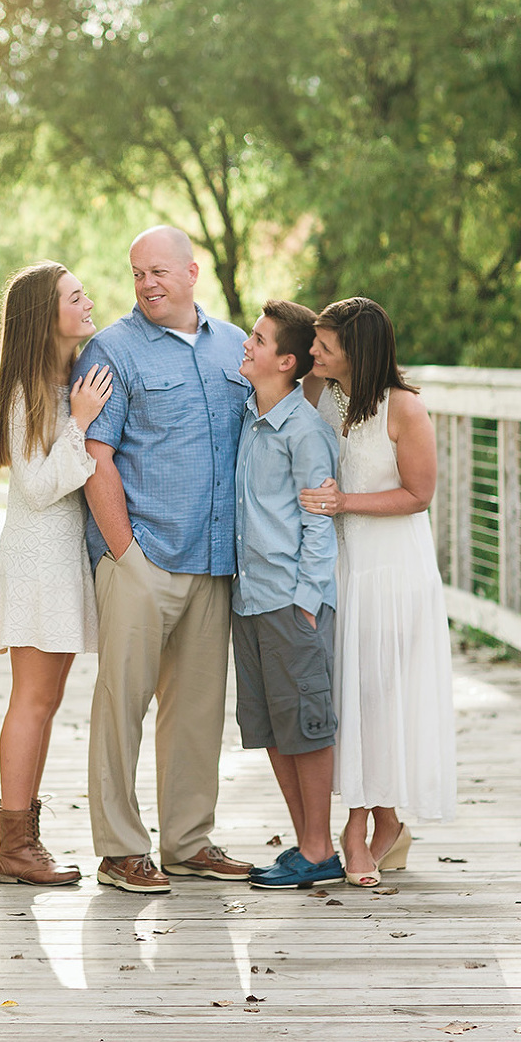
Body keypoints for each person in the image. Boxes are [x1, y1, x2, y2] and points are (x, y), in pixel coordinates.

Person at [73, 225, 253, 893]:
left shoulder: (237, 346)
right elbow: (96, 454)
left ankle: (187, 842)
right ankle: (121, 850)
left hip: (213, 561)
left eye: (159, 271)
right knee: (122, 706)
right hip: (140, 557)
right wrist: (126, 555)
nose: (148, 284)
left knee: (199, 712)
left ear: (192, 271)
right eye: (137, 273)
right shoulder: (110, 350)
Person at [299, 296, 456, 888]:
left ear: (356, 353)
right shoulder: (323, 395)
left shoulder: (405, 409)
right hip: (342, 566)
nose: (314, 352)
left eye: (325, 345)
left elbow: (418, 493)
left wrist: (344, 502)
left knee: (379, 692)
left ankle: (357, 828)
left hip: (393, 570)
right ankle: (387, 822)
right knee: (353, 693)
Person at [0, 262, 113, 885]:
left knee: (47, 701)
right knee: (32, 701)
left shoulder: (68, 382)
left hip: (63, 562)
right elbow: (37, 489)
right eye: (73, 295)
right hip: (37, 562)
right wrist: (82, 422)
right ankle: (15, 846)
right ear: (45, 315)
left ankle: (24, 841)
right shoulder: (26, 393)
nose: (87, 301)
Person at [228, 302, 345, 891]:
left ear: (286, 360)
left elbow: (319, 523)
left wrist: (305, 600)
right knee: (273, 727)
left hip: (289, 602)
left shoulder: (306, 431)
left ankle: (321, 848)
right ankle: (308, 847)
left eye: (258, 338)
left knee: (307, 724)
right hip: (248, 601)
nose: (246, 345)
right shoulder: (249, 418)